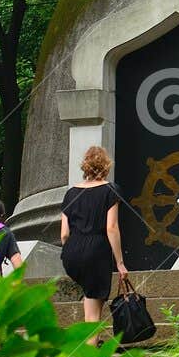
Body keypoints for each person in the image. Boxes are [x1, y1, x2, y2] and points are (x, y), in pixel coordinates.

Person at [60, 145, 128, 344]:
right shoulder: (110, 190)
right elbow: (111, 228)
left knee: (89, 299)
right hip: (96, 251)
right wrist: (120, 263)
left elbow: (64, 234)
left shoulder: (70, 193)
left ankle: (90, 348)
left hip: (72, 253)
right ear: (106, 166)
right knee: (93, 314)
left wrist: (73, 250)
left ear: (85, 166)